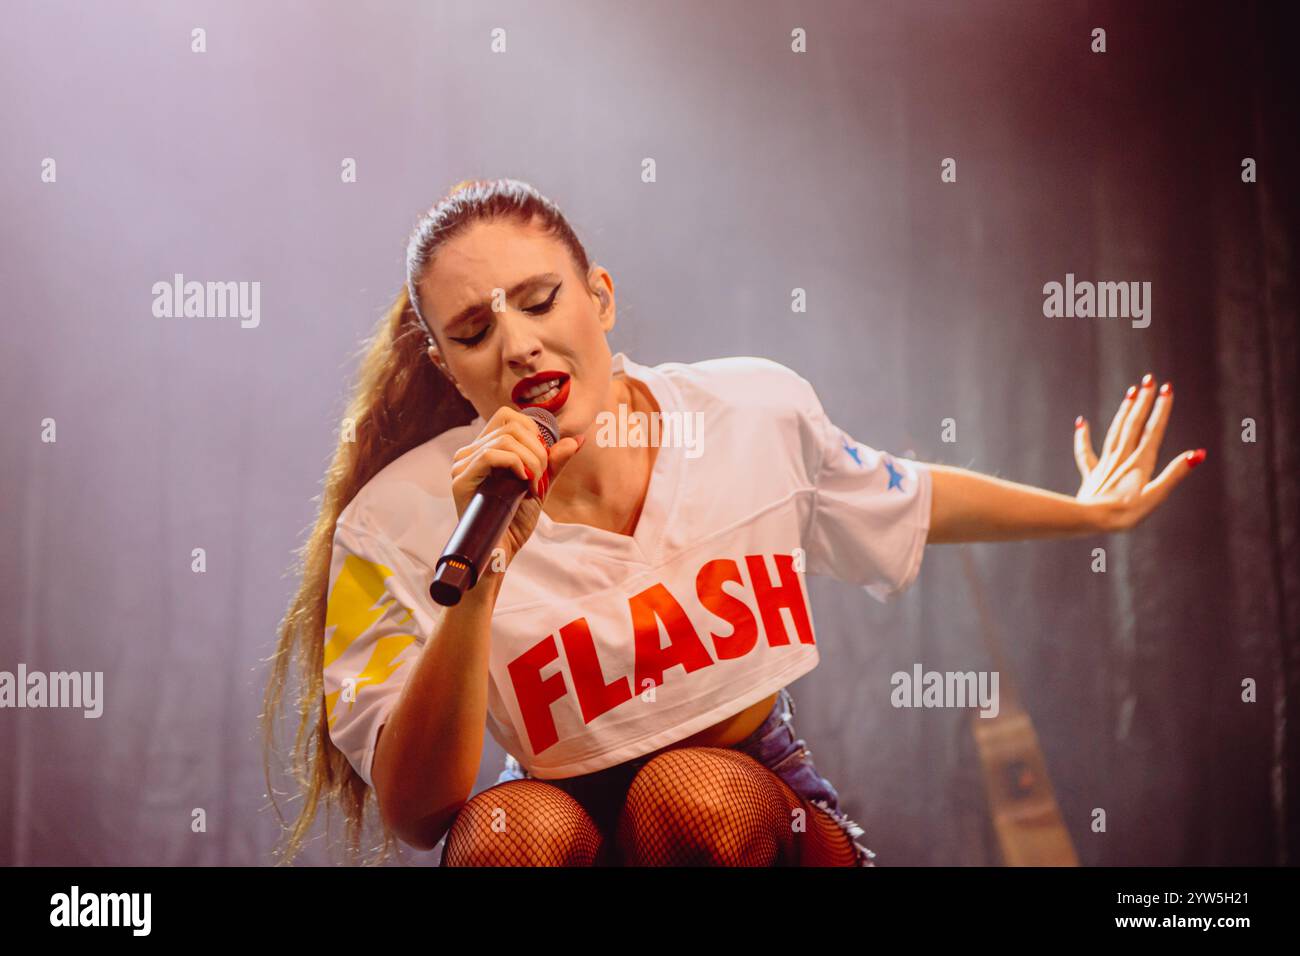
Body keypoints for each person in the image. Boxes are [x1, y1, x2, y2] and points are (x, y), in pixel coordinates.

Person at [263, 178, 1204, 867]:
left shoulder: (751, 411)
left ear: (600, 296)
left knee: (692, 794)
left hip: (750, 806)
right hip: (570, 819)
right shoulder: (398, 521)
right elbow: (423, 812)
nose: (517, 342)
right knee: (512, 836)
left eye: (542, 301)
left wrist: (1089, 512)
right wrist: (484, 578)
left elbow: (899, 492)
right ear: (442, 364)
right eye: (473, 332)